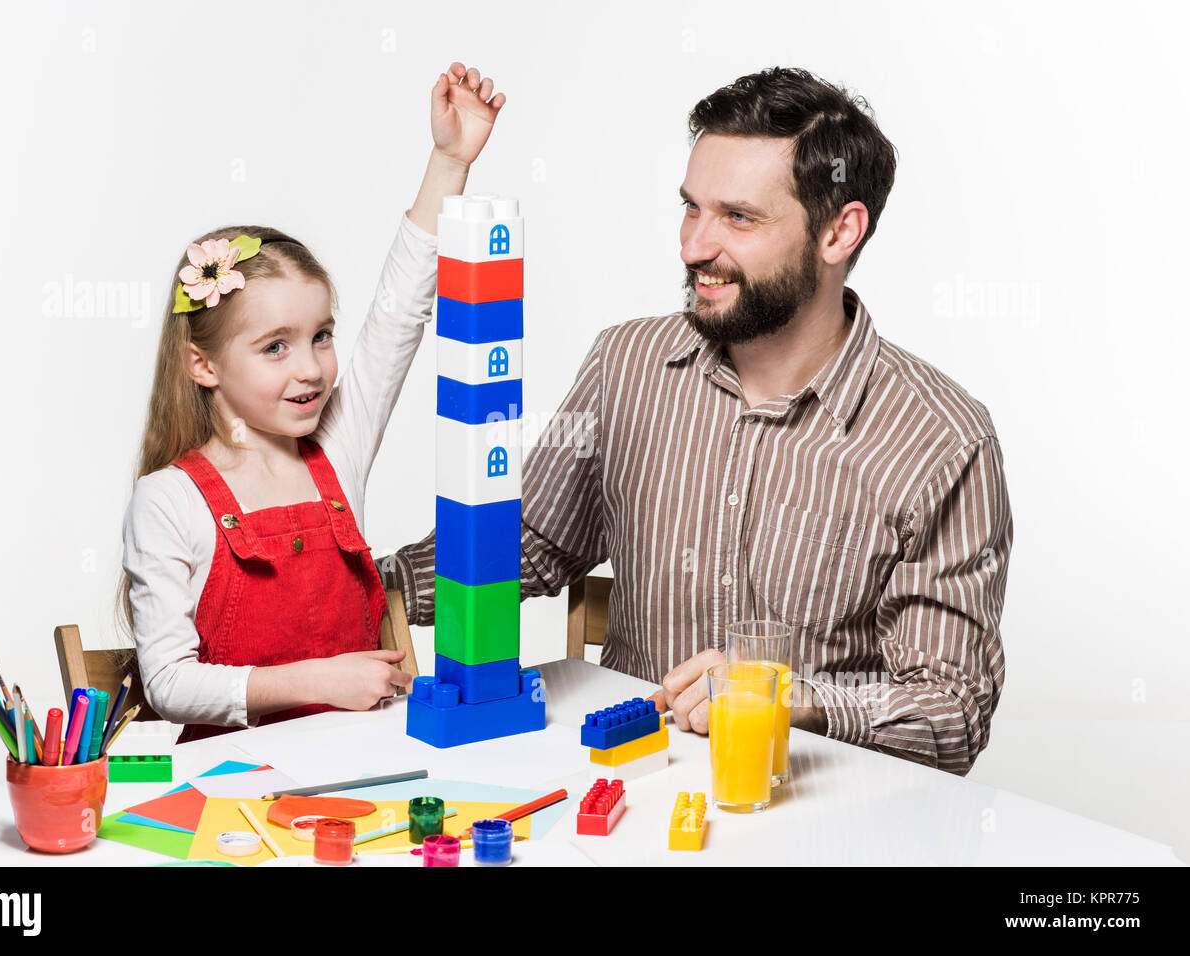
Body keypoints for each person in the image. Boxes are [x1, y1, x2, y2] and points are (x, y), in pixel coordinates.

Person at [383, 67, 1012, 775]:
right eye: (691, 208)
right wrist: (356, 586)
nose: (693, 247)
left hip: (811, 811)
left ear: (840, 232)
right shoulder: (627, 362)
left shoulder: (943, 440)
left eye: (738, 218)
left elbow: (952, 712)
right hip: (627, 783)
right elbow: (530, 544)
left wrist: (788, 699)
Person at [119, 62, 505, 743]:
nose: (311, 369)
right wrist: (317, 679)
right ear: (203, 364)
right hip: (233, 792)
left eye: (321, 337)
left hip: (362, 764)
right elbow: (169, 683)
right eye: (275, 347)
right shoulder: (167, 501)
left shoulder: (335, 444)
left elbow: (398, 316)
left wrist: (448, 161)